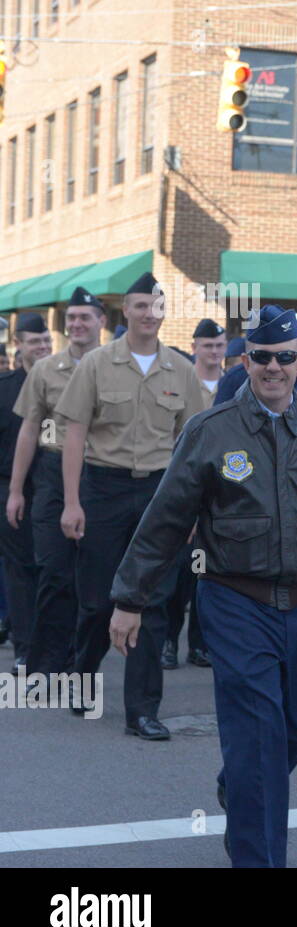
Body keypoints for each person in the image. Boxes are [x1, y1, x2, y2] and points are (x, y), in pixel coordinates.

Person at [107, 304, 297, 866]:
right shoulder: (210, 432)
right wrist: (130, 600)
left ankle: (241, 785)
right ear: (245, 360)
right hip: (236, 602)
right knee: (259, 736)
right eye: (261, 357)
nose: (273, 367)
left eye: (284, 357)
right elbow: (164, 521)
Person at [56, 272, 207, 738]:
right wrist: (72, 502)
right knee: (99, 603)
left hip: (160, 495)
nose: (147, 314)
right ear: (126, 311)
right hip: (104, 489)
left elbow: (194, 441)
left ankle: (142, 711)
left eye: (155, 306)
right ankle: (82, 678)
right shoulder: (98, 364)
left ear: (164, 312)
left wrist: (193, 510)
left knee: (154, 603)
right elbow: (75, 434)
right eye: (139, 306)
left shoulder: (181, 369)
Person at [8, 289, 104, 681]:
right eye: (72, 317)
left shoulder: (118, 367)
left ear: (101, 321)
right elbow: (29, 430)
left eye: (86, 317)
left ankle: (80, 665)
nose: (78, 324)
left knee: (93, 580)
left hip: (102, 475)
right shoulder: (46, 370)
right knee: (52, 571)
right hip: (51, 475)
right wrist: (15, 490)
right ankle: (46, 666)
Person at [161, 317, 230, 671]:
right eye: (208, 346)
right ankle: (169, 641)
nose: (214, 352)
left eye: (220, 346)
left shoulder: (234, 383)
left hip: (223, 488)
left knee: (211, 572)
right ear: (195, 348)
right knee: (181, 572)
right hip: (189, 484)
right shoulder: (181, 382)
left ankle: (200, 645)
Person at [0, 313, 54, 675]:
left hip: (55, 489)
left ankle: (53, 647)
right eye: (36, 342)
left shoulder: (65, 383)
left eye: (47, 341)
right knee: (21, 570)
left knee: (53, 570)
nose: (43, 348)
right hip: (10, 489)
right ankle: (26, 647)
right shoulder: (4, 387)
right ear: (20, 345)